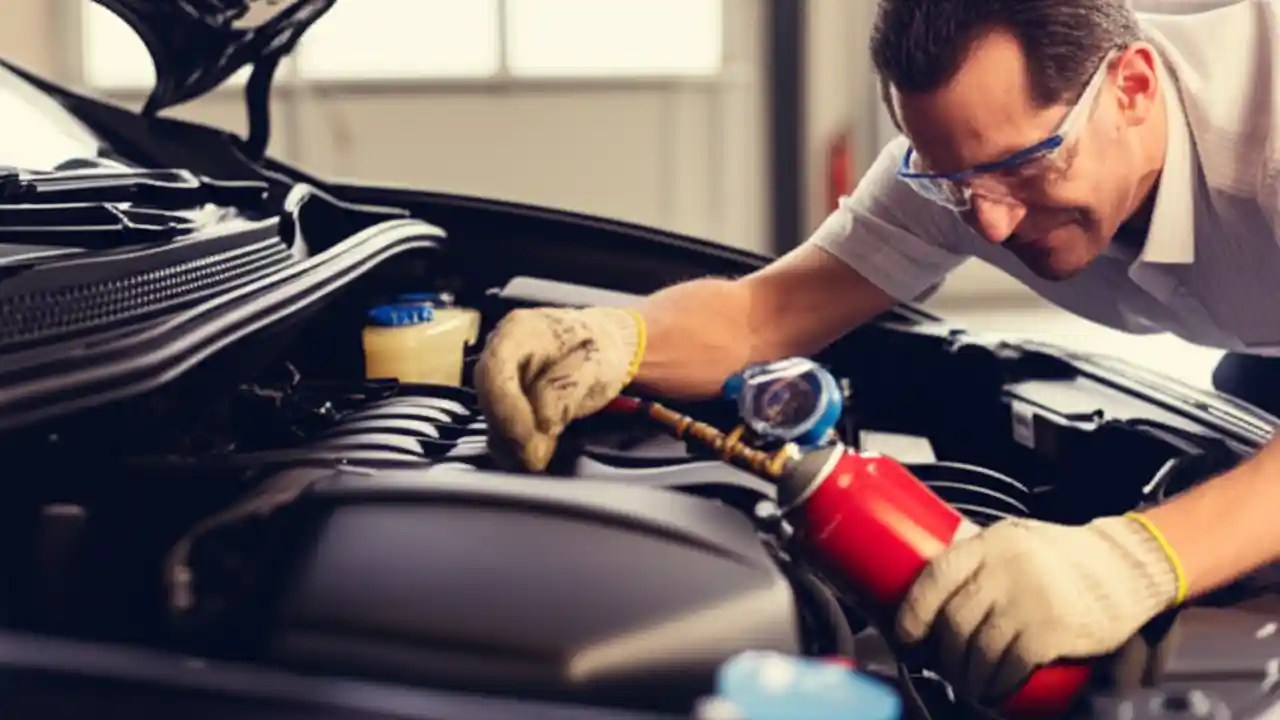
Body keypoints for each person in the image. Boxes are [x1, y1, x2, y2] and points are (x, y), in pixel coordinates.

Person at [473, 0, 1280, 707]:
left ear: (1132, 89)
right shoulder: (962, 173)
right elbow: (764, 316)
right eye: (954, 183)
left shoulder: (1268, 135)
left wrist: (1134, 559)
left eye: (1020, 168)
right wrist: (610, 338)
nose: (990, 225)